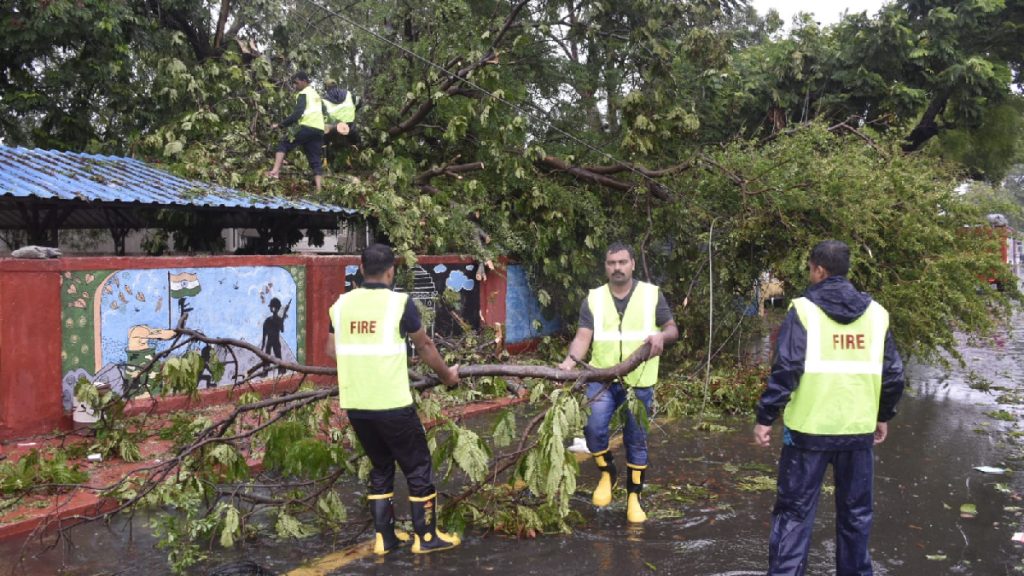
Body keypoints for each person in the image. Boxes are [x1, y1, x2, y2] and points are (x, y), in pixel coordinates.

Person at [753, 240, 905, 575]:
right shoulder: (876, 314)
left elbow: (787, 368)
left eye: (810, 268)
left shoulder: (804, 311)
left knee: (793, 515)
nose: (810, 274)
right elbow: (893, 374)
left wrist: (766, 417)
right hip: (858, 433)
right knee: (856, 517)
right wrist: (883, 415)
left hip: (808, 434)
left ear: (819, 270)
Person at [326, 243, 462, 555]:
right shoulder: (399, 303)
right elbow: (425, 346)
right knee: (417, 466)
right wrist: (447, 376)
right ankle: (426, 537)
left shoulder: (341, 305)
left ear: (361, 269)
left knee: (381, 466)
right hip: (392, 404)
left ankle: (384, 538)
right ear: (391, 271)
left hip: (357, 405)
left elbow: (331, 350)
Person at [557, 241, 678, 523]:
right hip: (602, 379)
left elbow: (672, 329)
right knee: (593, 429)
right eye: (612, 263)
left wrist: (661, 336)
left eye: (622, 262)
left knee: (637, 439)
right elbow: (583, 337)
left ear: (632, 264)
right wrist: (568, 364)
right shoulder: (594, 298)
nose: (617, 268)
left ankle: (634, 497)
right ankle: (607, 473)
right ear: (606, 267)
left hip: (639, 381)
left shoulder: (651, 295)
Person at [267, 71, 324, 191]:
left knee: (283, 144)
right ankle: (319, 190)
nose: (295, 86)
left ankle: (274, 172)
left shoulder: (303, 93)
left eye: (296, 83)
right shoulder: (315, 94)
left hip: (307, 126)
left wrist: (280, 125)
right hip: (319, 130)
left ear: (304, 81)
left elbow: (297, 114)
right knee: (315, 159)